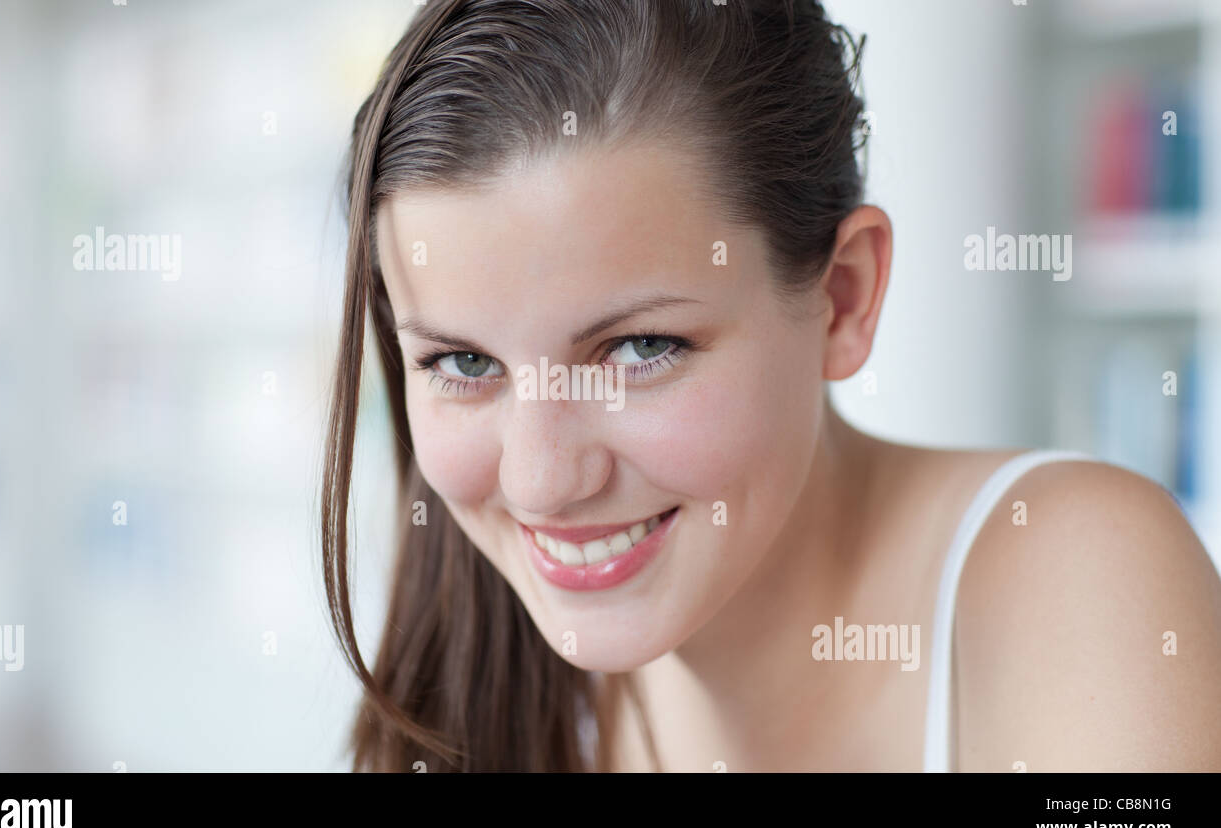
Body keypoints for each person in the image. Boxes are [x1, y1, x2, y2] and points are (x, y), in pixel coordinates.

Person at [319, 0, 1221, 771]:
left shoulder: (1077, 572)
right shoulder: (477, 679)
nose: (539, 483)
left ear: (843, 297)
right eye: (464, 364)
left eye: (639, 348)